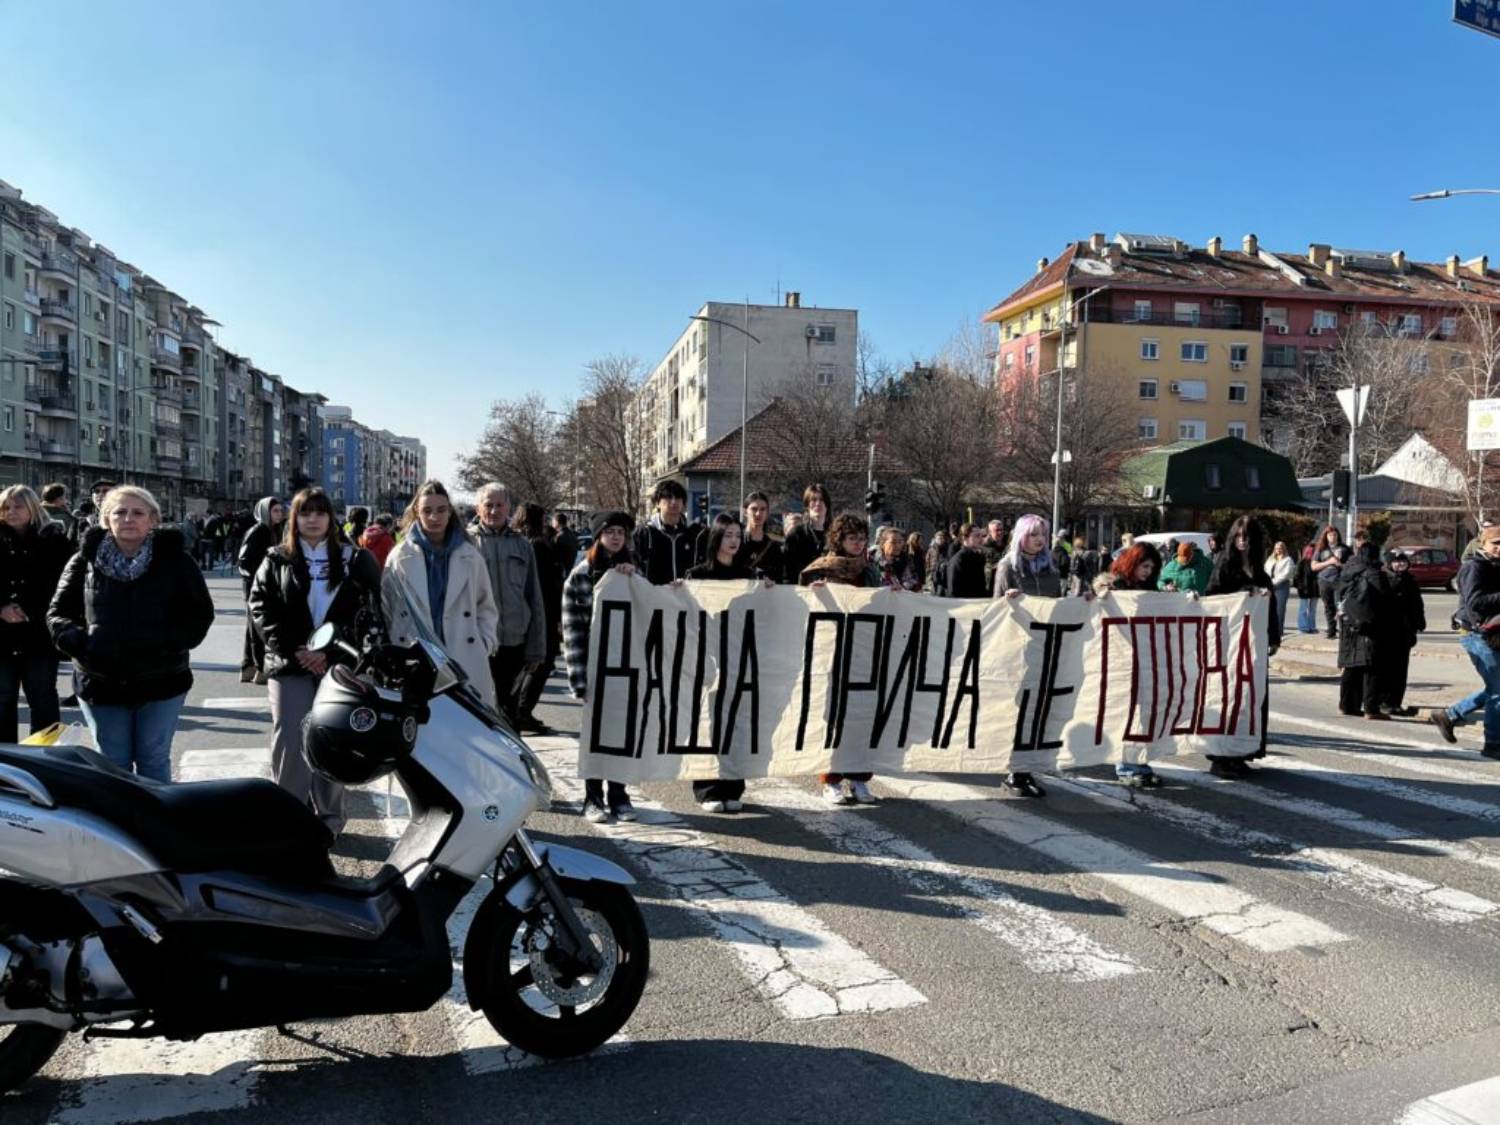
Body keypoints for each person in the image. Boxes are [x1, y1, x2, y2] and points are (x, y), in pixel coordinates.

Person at [47, 486, 213, 781]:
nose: (128, 519)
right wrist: (85, 645)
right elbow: (57, 615)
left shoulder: (176, 560)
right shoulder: (83, 561)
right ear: (105, 519)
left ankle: (156, 825)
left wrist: (167, 644)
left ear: (153, 519)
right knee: (112, 764)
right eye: (119, 512)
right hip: (101, 680)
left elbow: (199, 613)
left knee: (153, 759)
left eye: (138, 513)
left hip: (162, 679)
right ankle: (119, 825)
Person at [248, 487, 382, 838]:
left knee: (331, 742)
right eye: (305, 513)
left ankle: (329, 823)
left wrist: (331, 653)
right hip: (289, 663)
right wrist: (297, 650)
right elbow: (261, 609)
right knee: (291, 741)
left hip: (337, 667)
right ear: (294, 518)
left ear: (330, 518)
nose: (312, 519)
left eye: (320, 513)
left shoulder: (356, 559)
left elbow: (369, 614)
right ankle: (289, 819)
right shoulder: (276, 558)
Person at [383, 480, 500, 709]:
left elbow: (486, 606)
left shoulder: (470, 555)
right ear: (417, 512)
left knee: (468, 732)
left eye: (441, 510)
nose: (434, 517)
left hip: (464, 655)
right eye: (427, 510)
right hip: (417, 658)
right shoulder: (399, 557)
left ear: (449, 513)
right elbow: (389, 611)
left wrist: (484, 643)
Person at [685, 515, 771, 813]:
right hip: (707, 659)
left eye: (737, 535)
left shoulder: (750, 577)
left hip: (739, 658)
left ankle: (733, 786)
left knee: (737, 721)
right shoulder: (696, 575)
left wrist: (770, 590)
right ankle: (707, 788)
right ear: (716, 539)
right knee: (708, 722)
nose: (733, 541)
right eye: (727, 535)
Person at [799, 512, 882, 804]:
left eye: (862, 538)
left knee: (862, 715)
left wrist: (893, 595)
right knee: (833, 716)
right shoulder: (821, 570)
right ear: (839, 539)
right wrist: (813, 594)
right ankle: (830, 780)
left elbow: (880, 605)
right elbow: (802, 606)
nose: (858, 544)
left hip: (863, 651)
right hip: (832, 652)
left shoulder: (870, 572)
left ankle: (859, 779)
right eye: (852, 538)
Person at [562, 510, 640, 822]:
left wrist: (634, 577)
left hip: (625, 666)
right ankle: (592, 799)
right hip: (595, 668)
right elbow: (573, 631)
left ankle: (619, 796)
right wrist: (579, 679)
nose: (616, 537)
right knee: (595, 736)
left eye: (621, 532)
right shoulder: (581, 575)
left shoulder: (633, 572)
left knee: (620, 733)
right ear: (598, 537)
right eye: (610, 532)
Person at [1203, 515, 1280, 778]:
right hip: (1230, 643)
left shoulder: (1259, 569)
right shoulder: (1224, 565)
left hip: (1254, 644)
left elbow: (1270, 608)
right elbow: (1211, 598)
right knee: (1228, 698)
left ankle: (1242, 753)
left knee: (1252, 698)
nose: (1242, 541)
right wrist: (1241, 595)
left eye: (1247, 537)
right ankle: (1220, 756)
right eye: (1238, 536)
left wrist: (1273, 637)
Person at [994, 514, 1063, 798]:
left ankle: (1026, 769)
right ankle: (1014, 770)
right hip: (1017, 648)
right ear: (1022, 536)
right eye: (1034, 534)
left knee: (1038, 710)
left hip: (1044, 644)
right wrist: (1007, 599)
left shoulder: (1051, 567)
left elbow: (1058, 605)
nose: (1040, 540)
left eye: (1043, 534)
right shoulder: (1007, 567)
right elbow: (995, 610)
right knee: (1019, 710)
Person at [0, 486, 74, 743]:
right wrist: (2, 608)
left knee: (43, 697)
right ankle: (6, 766)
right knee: (2, 698)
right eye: (6, 507)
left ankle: (44, 757)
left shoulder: (54, 540)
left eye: (18, 506)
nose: (11, 512)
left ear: (33, 508)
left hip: (39, 635)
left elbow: (63, 587)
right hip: (2, 634)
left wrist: (29, 610)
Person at [470, 483, 547, 724]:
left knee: (509, 717)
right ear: (478, 508)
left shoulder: (522, 545)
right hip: (476, 642)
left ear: (509, 508)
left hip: (514, 643)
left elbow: (534, 597)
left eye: (499, 505)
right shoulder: (465, 544)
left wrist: (537, 647)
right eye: (488, 505)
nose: (494, 511)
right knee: (478, 715)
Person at [1092, 541, 1166, 788]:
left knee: (1142, 714)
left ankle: (1139, 762)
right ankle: (1125, 766)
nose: (1147, 572)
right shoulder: (1112, 587)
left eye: (1152, 568)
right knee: (1125, 713)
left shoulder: (1149, 590)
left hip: (1144, 659)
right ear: (1132, 562)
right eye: (1144, 566)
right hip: (1119, 660)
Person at [1430, 524, 1500, 757]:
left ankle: (1450, 715)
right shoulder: (1474, 567)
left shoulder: (1494, 566)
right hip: (1476, 634)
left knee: (1496, 687)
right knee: (1498, 689)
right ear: (1483, 544)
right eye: (1496, 544)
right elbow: (1475, 603)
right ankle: (1493, 744)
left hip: (1492, 633)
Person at [512, 503, 563, 736]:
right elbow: (547, 584)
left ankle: (521, 711)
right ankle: (522, 711)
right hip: (543, 611)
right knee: (540, 663)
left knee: (530, 664)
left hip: (526, 611)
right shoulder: (538, 546)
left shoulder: (519, 542)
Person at [1335, 542, 1392, 720]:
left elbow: (1338, 594)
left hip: (1348, 623)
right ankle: (1371, 708)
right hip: (1370, 625)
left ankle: (1346, 705)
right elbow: (1385, 598)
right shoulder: (1374, 573)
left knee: (1351, 666)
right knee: (1372, 667)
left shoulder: (1347, 571)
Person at [237, 496, 285, 683]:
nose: (279, 514)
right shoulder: (258, 531)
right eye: (275, 511)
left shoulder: (275, 530)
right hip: (255, 587)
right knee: (258, 627)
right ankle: (258, 668)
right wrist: (258, 579)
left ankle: (249, 666)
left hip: (269, 586)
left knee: (255, 626)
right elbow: (243, 561)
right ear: (265, 511)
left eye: (281, 511)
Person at [1379, 549, 1425, 717]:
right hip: (1387, 632)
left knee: (1400, 669)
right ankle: (1383, 701)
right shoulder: (1383, 579)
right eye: (1396, 561)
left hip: (1405, 631)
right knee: (1387, 668)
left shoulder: (1410, 580)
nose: (1400, 564)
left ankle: (1395, 702)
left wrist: (1420, 622)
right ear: (1389, 563)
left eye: (1403, 561)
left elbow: (1417, 604)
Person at [781, 484, 831, 583]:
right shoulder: (796, 535)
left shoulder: (835, 535)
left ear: (827, 505)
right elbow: (788, 572)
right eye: (813, 500)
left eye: (821, 499)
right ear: (807, 505)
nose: (818, 503)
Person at [736, 491, 784, 583]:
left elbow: (779, 579)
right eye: (754, 509)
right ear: (745, 512)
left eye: (763, 509)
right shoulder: (736, 541)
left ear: (767, 513)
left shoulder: (774, 548)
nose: (758, 513)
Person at [1310, 526, 1345, 639]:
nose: (1332, 537)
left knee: (1340, 606)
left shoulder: (1345, 549)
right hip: (1324, 581)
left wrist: (1340, 564)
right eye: (1330, 535)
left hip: (1339, 580)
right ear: (1326, 536)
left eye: (1335, 535)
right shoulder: (1321, 549)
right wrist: (1329, 562)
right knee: (1328, 606)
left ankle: (1344, 630)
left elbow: (1351, 565)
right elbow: (1313, 567)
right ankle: (1331, 630)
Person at [946, 522, 990, 598]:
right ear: (965, 538)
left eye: (981, 535)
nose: (981, 539)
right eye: (977, 536)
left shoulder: (979, 557)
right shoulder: (958, 560)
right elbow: (953, 592)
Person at [872, 526, 922, 591]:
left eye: (900, 542)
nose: (898, 545)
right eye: (893, 542)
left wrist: (903, 587)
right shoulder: (872, 560)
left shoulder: (906, 560)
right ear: (883, 543)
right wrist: (888, 588)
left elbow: (912, 581)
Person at [1263, 541, 1296, 637]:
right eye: (1276, 548)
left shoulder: (1288, 560)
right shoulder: (1270, 559)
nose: (1278, 550)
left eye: (1280, 548)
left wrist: (1273, 582)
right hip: (1270, 586)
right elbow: (1265, 570)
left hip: (1282, 586)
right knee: (1270, 609)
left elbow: (1286, 574)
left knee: (1279, 609)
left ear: (1284, 549)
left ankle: (1278, 631)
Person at [1294, 541, 1320, 634]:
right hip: (1304, 589)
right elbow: (1296, 576)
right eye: (1310, 551)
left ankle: (1312, 627)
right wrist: (1300, 587)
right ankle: (1303, 627)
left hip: (1315, 589)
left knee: (1313, 609)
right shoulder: (1302, 562)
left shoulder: (1318, 562)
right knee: (1303, 609)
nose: (1311, 553)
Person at [980, 519, 1007, 593]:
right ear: (989, 532)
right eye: (997, 530)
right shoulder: (983, 549)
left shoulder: (1007, 546)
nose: (1000, 532)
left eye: (1001, 530)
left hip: (1005, 587)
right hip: (990, 589)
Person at [926, 529, 951, 595]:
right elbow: (927, 561)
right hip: (933, 572)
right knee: (933, 591)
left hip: (943, 573)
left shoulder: (947, 548)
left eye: (942, 538)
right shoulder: (931, 549)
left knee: (941, 592)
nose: (940, 540)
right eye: (939, 538)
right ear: (935, 539)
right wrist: (928, 573)